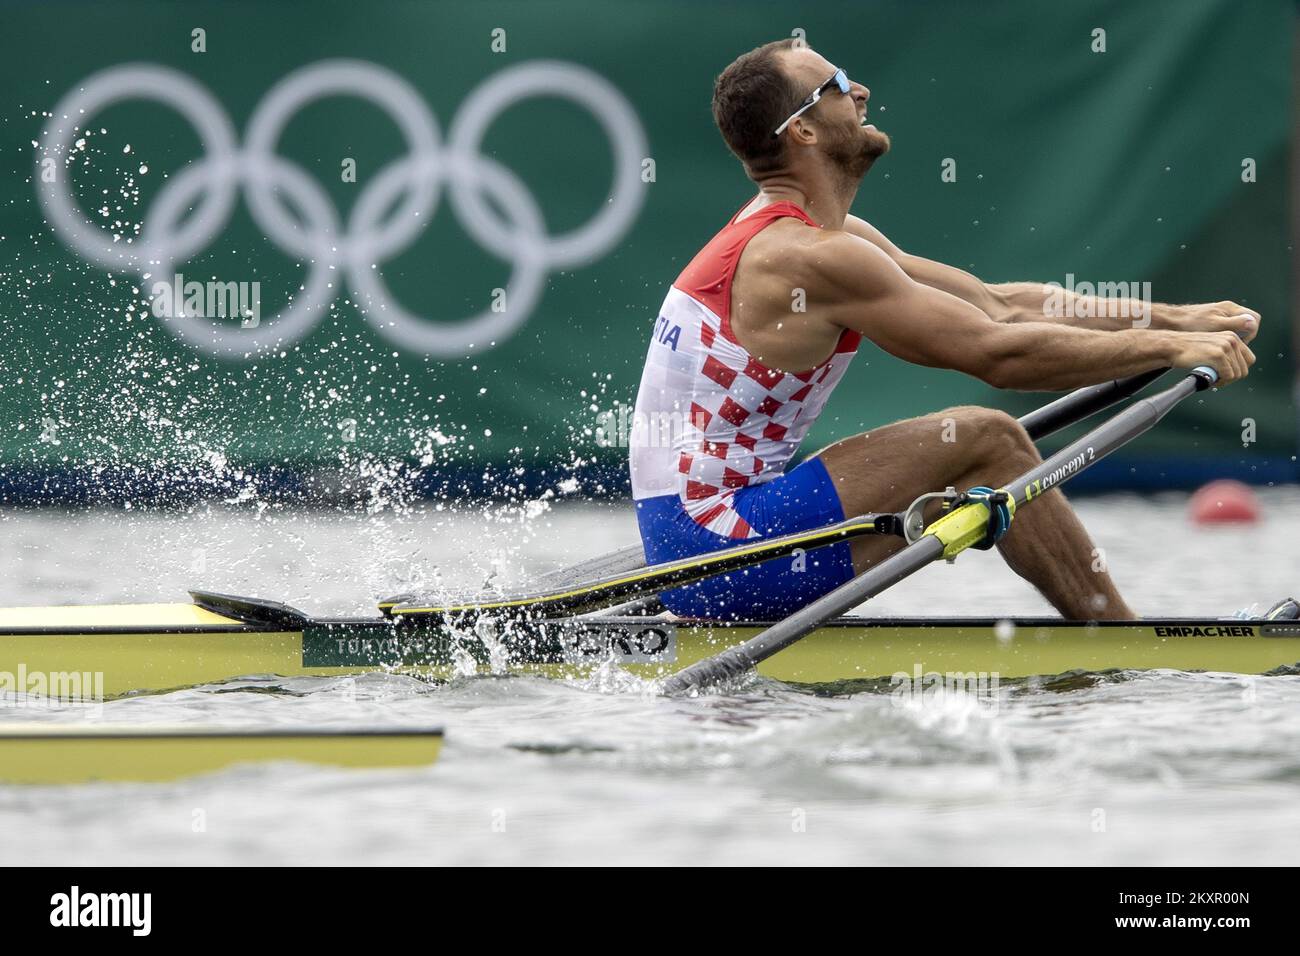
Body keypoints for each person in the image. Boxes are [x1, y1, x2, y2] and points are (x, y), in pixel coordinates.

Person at [628, 39, 1259, 622]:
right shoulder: (804, 257)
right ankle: (1122, 641)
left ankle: (1105, 632)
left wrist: (1179, 318)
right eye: (839, 83)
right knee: (991, 438)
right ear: (805, 129)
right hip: (718, 548)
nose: (862, 90)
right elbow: (996, 354)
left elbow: (999, 305)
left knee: (985, 445)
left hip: (704, 538)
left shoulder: (818, 237)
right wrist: (1172, 350)